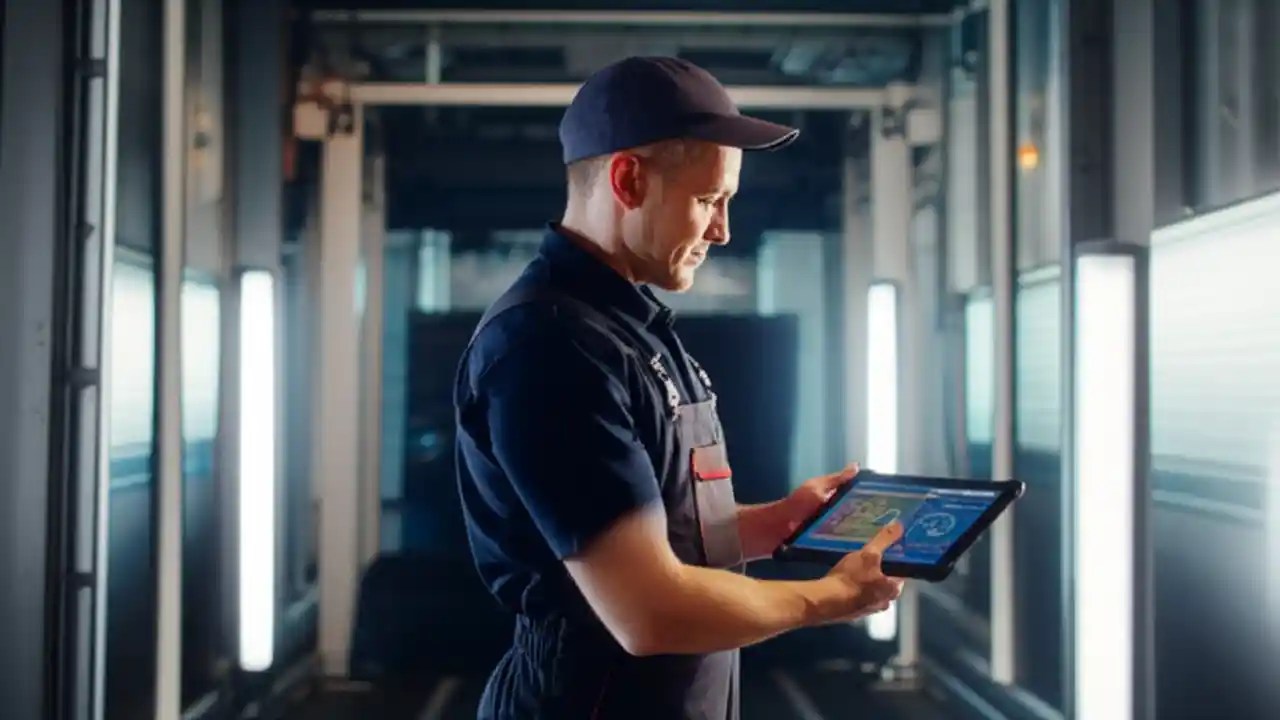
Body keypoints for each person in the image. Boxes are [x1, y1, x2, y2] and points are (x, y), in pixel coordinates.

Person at [454, 56, 905, 720]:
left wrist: (778, 523)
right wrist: (831, 598)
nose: (723, 230)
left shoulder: (628, 329)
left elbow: (656, 531)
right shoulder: (549, 347)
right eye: (708, 201)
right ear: (628, 180)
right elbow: (649, 611)